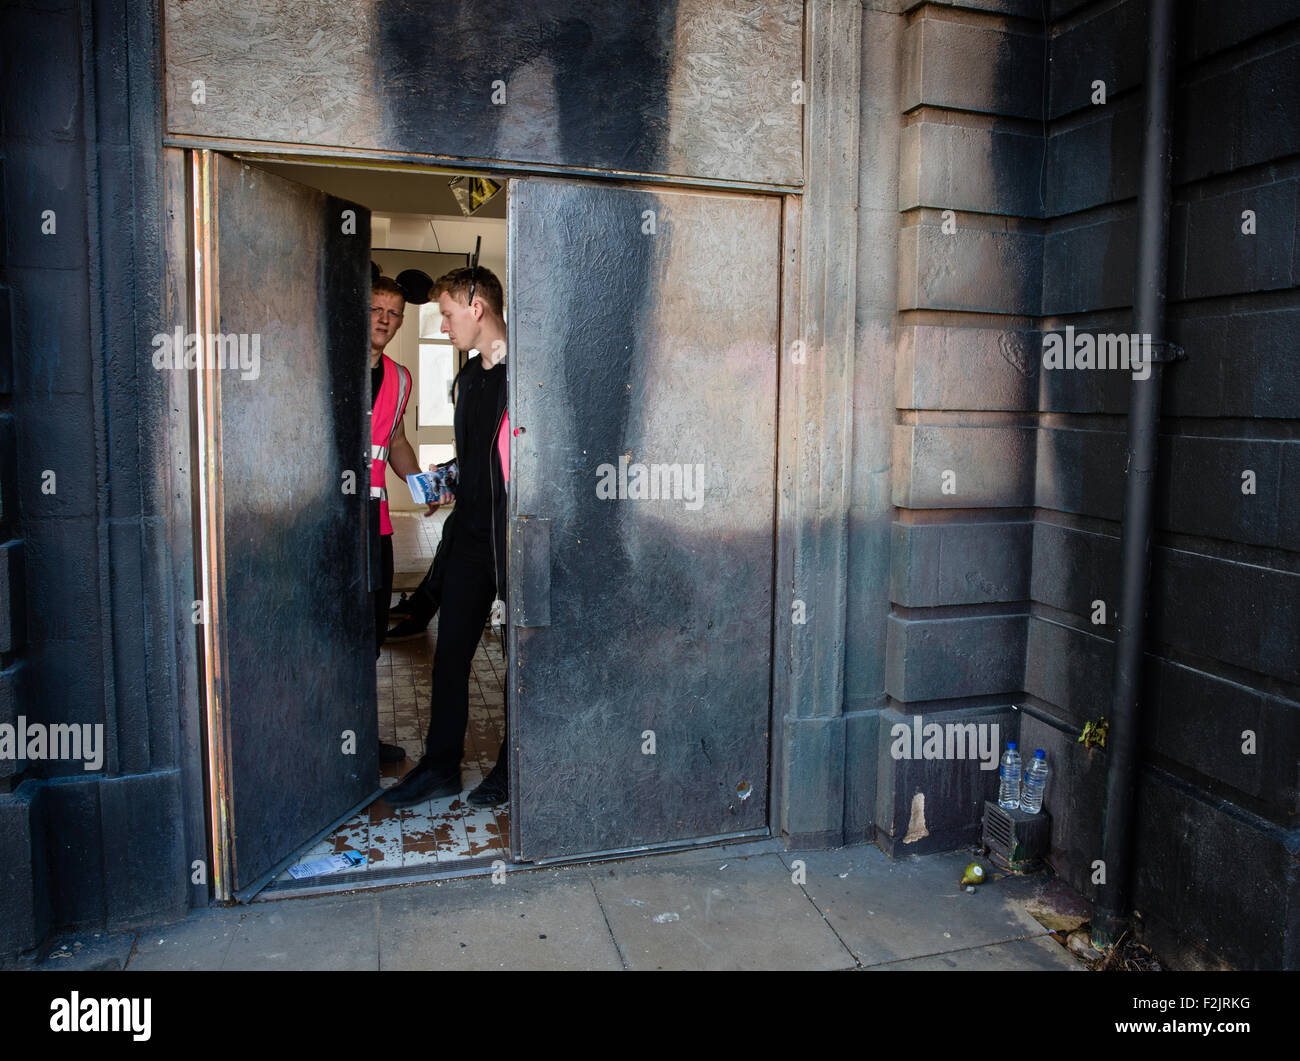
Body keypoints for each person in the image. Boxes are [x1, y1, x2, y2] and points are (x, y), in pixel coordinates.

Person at [383, 264, 510, 808]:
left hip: (513, 542)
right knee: (450, 656)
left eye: (448, 314)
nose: (442, 326)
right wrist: (445, 479)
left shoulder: (528, 377)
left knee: (521, 662)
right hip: (468, 541)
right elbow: (480, 458)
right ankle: (440, 768)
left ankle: (512, 770)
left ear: (476, 307)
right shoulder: (468, 378)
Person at [369, 275, 428, 763]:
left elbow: (397, 441)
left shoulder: (400, 378)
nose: (384, 320)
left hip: (375, 524)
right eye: (376, 309)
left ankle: (359, 738)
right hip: (324, 522)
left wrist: (421, 485)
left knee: (371, 630)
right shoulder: (326, 363)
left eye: (394, 313)